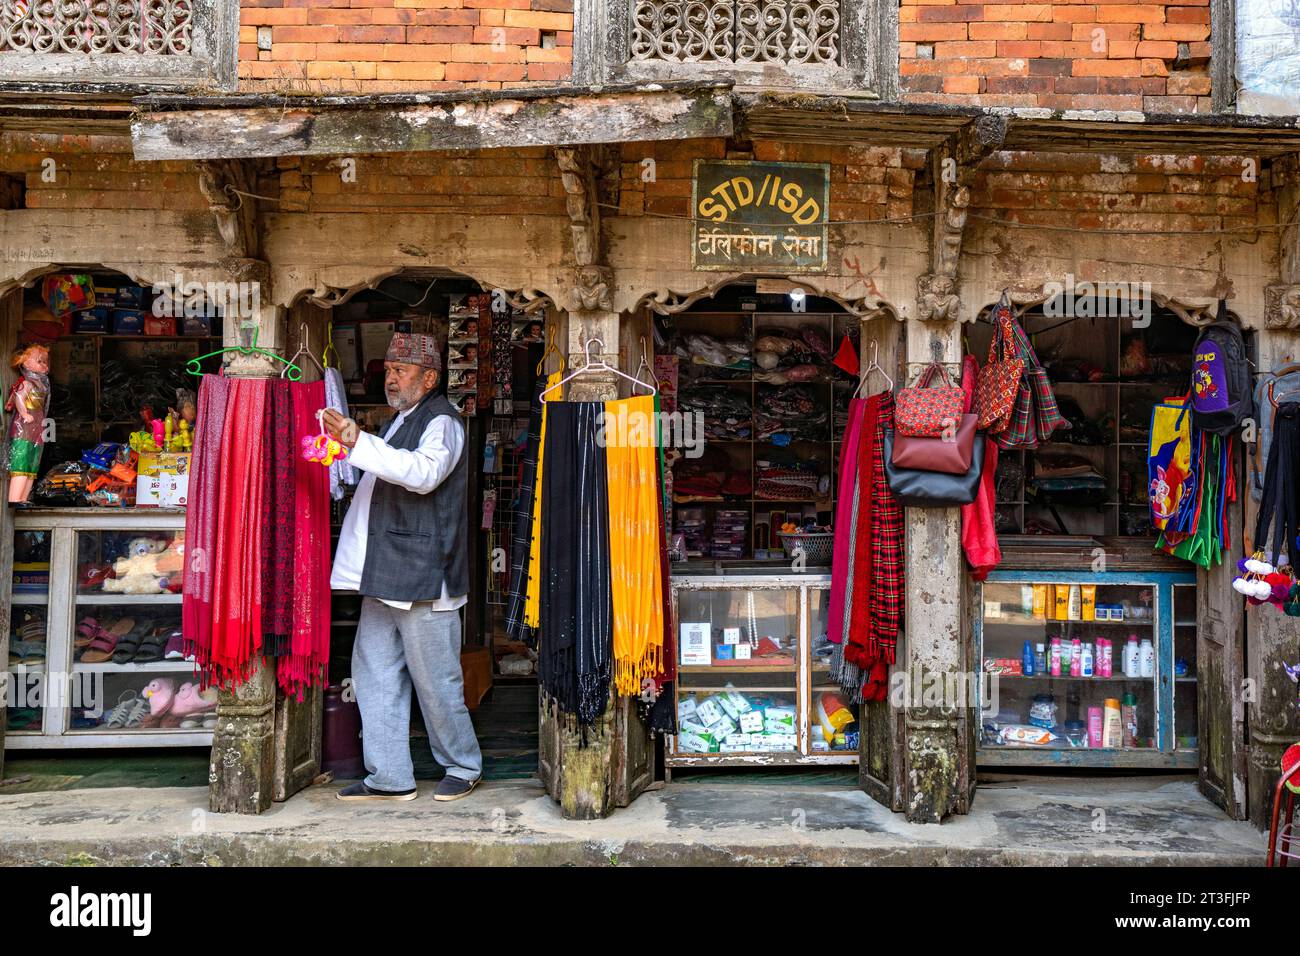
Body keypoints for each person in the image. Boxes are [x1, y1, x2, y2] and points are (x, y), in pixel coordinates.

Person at [323, 332, 482, 802]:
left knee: (436, 682)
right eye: (389, 369)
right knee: (374, 674)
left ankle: (463, 764)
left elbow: (422, 474)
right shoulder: (400, 419)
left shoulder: (443, 423)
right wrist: (347, 445)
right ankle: (389, 775)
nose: (391, 378)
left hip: (423, 575)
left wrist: (359, 441)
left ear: (429, 377)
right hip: (384, 572)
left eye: (401, 370)